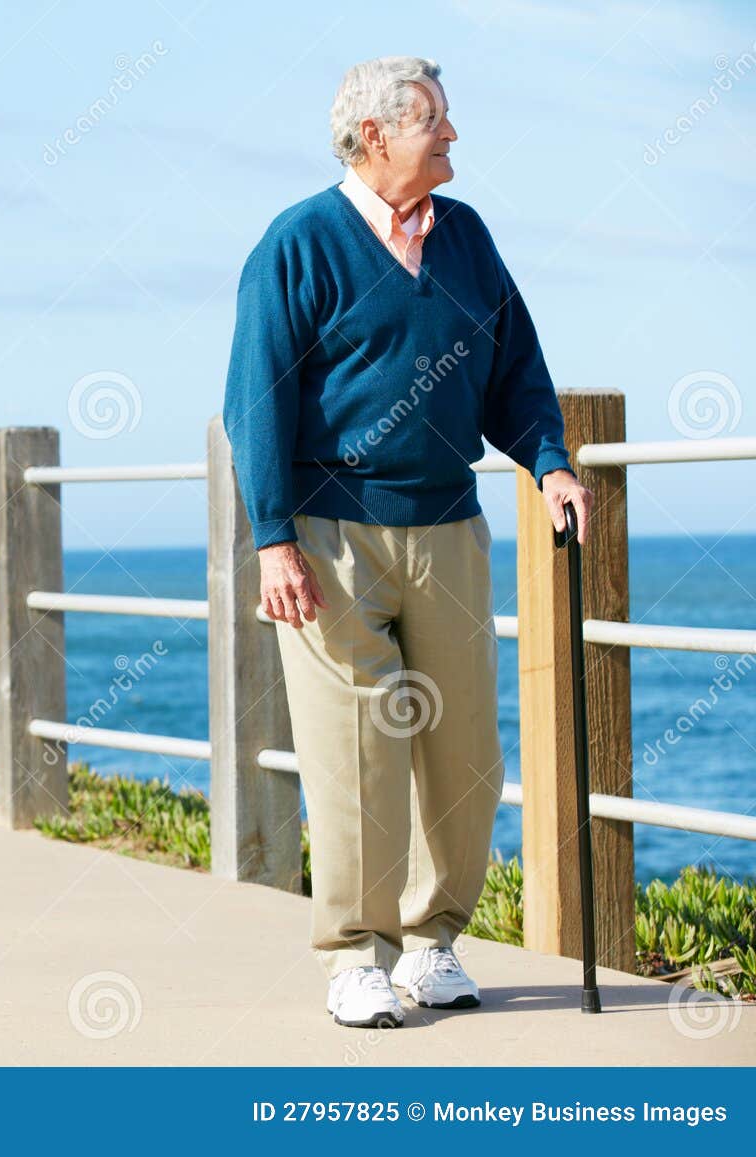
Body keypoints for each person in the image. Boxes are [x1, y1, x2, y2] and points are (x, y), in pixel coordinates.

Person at [222, 55, 593, 1029]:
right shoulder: (298, 243)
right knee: (356, 752)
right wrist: (271, 538)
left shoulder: (464, 239)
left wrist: (547, 458)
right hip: (328, 533)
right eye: (433, 119)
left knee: (466, 750)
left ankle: (433, 944)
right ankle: (355, 956)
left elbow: (515, 363)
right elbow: (255, 401)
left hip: (447, 527)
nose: (453, 135)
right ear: (374, 134)